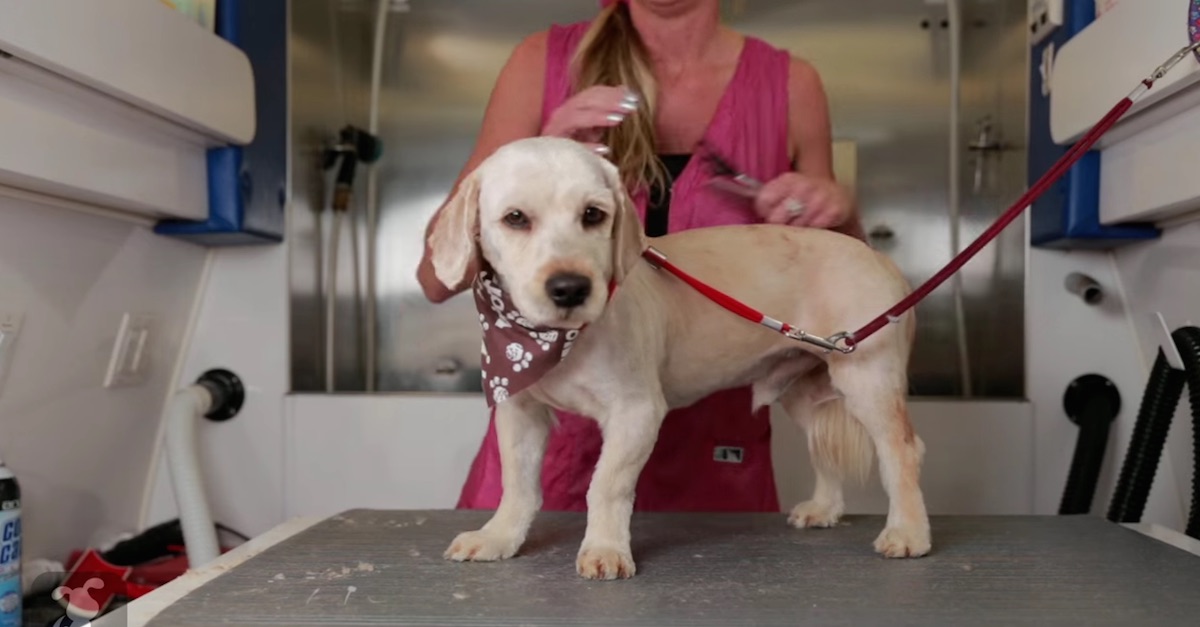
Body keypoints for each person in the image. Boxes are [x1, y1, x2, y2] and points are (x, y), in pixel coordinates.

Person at [416, 0, 865, 513]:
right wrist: (543, 156)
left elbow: (842, 276)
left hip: (715, 465)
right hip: (553, 475)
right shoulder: (539, 63)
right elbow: (436, 278)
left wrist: (840, 208)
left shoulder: (791, 85)